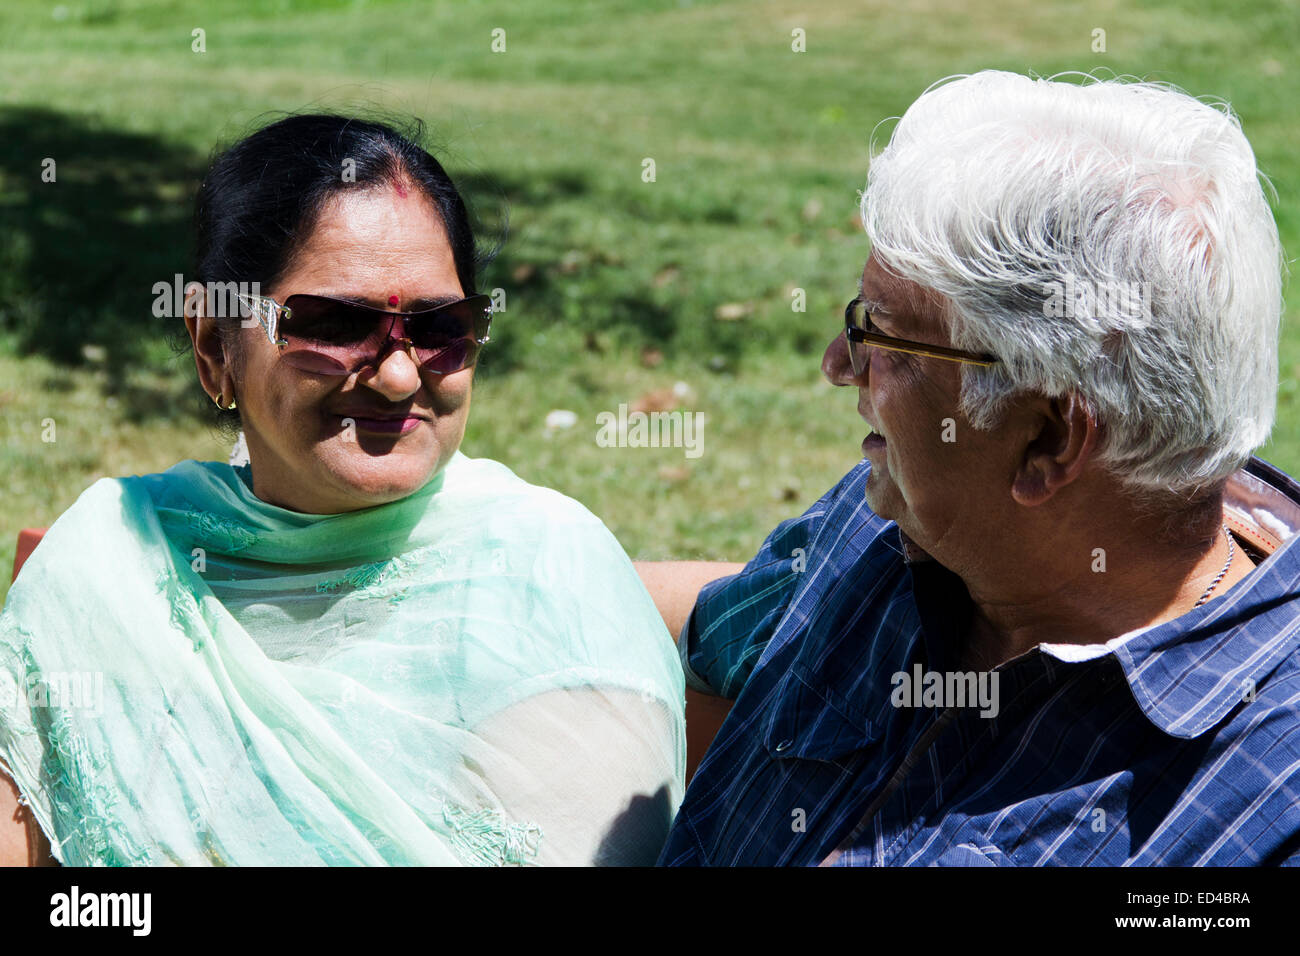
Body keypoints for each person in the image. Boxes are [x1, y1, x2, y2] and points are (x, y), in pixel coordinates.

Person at [650, 71, 1300, 865]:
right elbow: (708, 631)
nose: (837, 364)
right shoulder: (895, 526)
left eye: (883, 335)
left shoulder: (1269, 794)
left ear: (1050, 440)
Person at [0, 114, 684, 866]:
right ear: (212, 347)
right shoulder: (113, 561)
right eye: (332, 325)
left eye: (440, 327)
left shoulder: (547, 582)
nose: (397, 375)